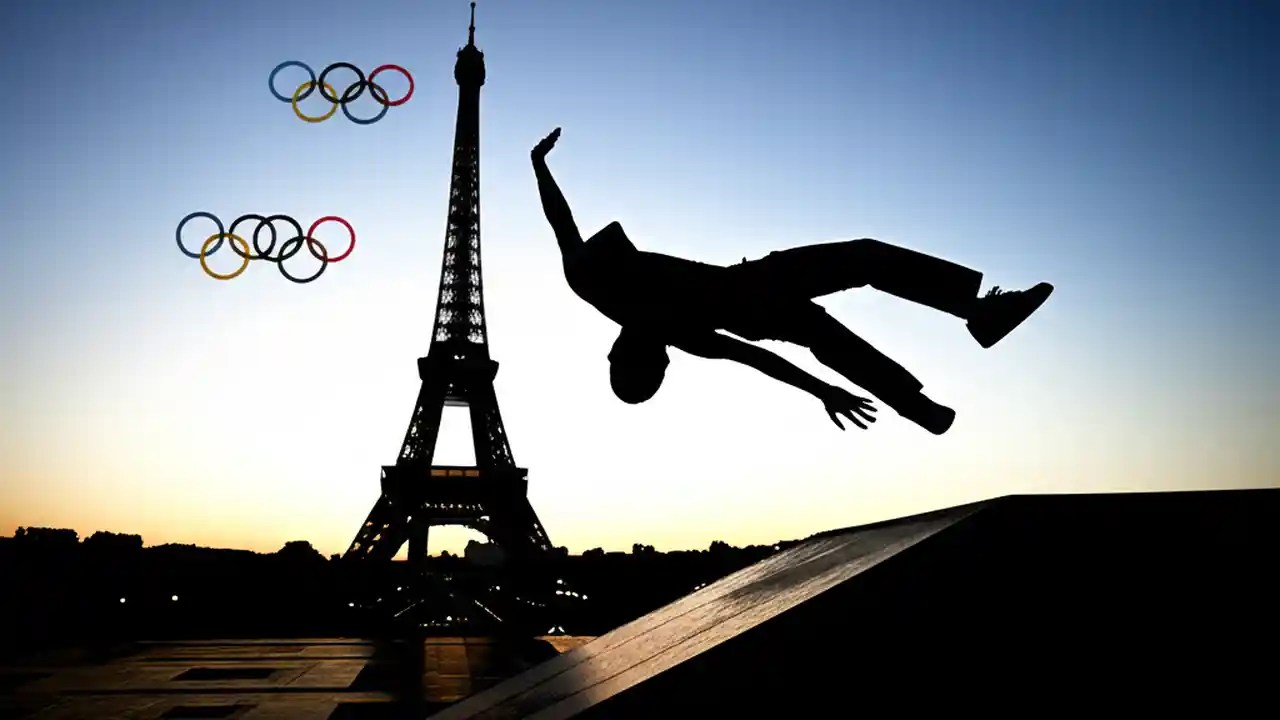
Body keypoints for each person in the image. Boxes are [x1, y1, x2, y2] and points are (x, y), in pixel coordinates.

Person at [531, 127, 1053, 435]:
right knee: (860, 270)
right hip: (755, 290)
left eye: (657, 364)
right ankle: (968, 321)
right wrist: (538, 166)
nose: (664, 357)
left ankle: (918, 398)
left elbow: (762, 358)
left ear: (637, 359)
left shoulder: (626, 305)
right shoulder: (607, 294)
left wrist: (823, 390)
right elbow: (761, 361)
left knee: (832, 326)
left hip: (757, 304)